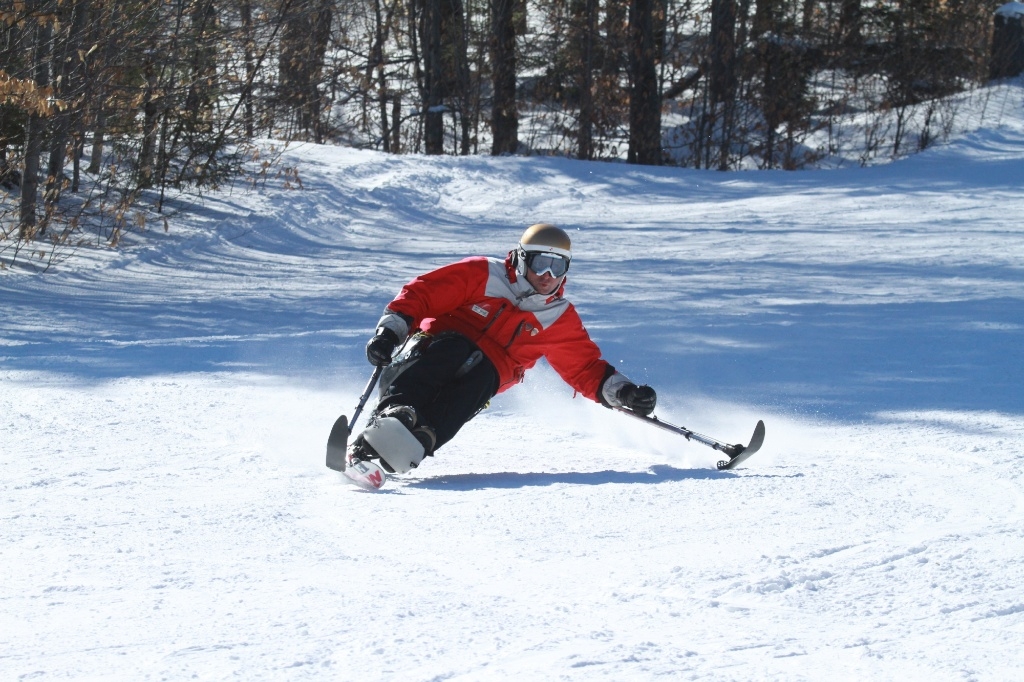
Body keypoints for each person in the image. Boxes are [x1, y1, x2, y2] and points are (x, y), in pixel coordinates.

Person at [345, 223, 657, 483]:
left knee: (485, 374)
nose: (547, 274)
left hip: (482, 378)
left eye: (557, 266)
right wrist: (390, 334)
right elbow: (421, 295)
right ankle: (393, 416)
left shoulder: (558, 317)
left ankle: (420, 438)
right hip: (430, 352)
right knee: (455, 349)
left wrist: (626, 393)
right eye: (540, 263)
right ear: (521, 259)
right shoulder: (483, 274)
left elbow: (585, 368)